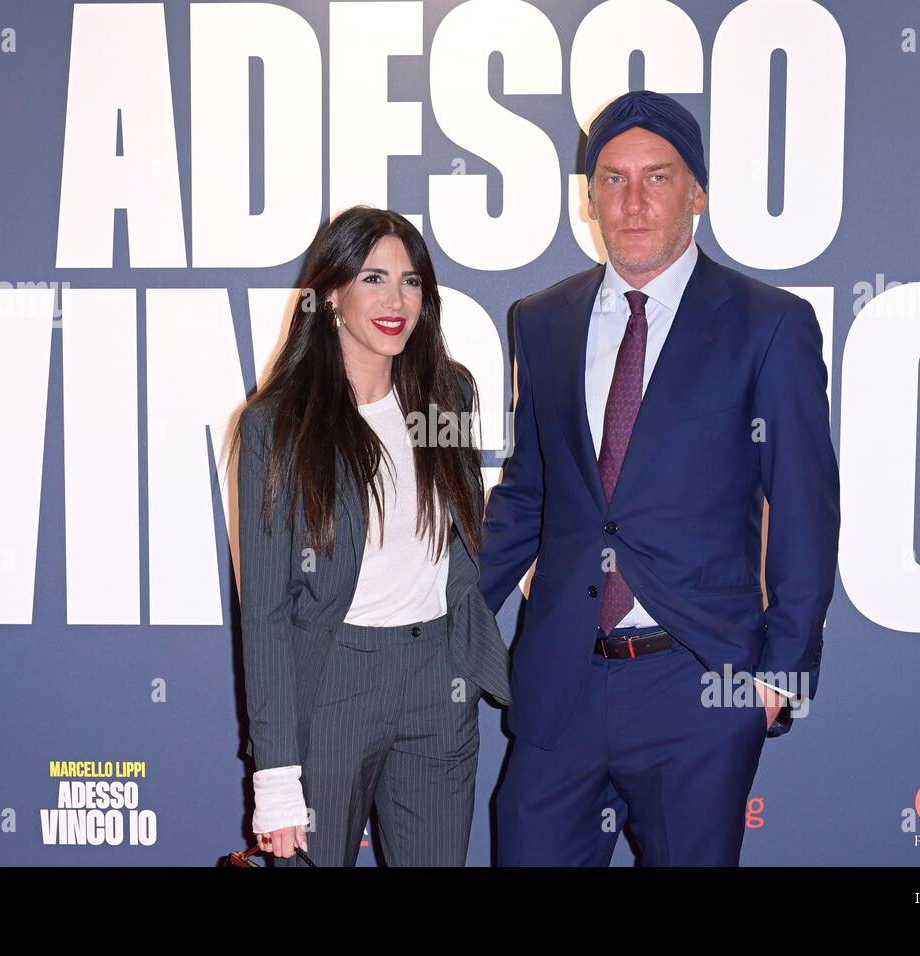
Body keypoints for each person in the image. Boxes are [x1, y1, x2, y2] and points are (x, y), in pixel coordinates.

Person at [480, 90, 840, 865]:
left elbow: (806, 503)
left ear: (697, 194)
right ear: (589, 200)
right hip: (560, 683)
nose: (633, 201)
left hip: (697, 687)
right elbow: (527, 494)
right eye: (612, 180)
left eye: (657, 178)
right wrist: (441, 617)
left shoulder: (767, 323)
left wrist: (783, 671)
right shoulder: (541, 319)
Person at [230, 205, 511, 867]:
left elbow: (466, 539)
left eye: (411, 282)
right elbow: (265, 612)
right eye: (374, 279)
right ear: (331, 294)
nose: (396, 300)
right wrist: (275, 776)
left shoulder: (451, 395)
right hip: (333, 687)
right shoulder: (278, 425)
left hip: (439, 681)